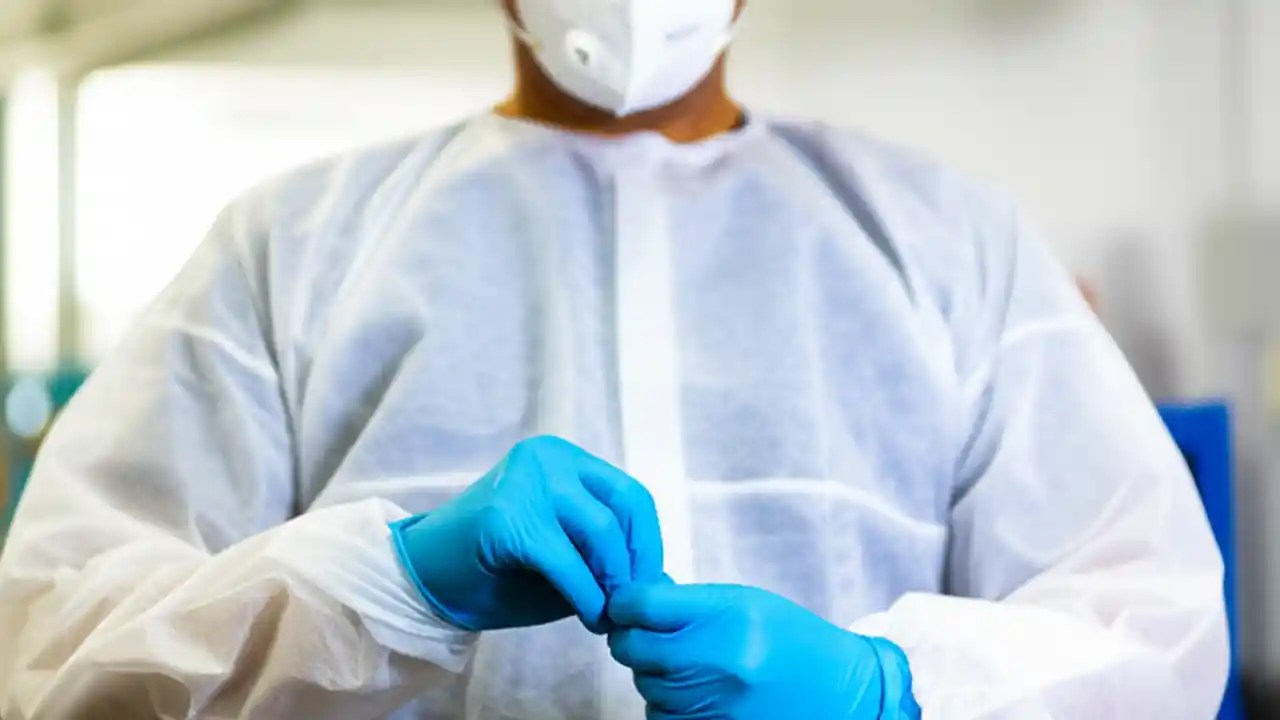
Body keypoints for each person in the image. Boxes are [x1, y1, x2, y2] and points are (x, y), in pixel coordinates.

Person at [0, 0, 1228, 717]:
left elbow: (1149, 629)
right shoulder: (288, 249)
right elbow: (49, 652)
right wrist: (389, 585)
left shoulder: (951, 244)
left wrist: (889, 690)